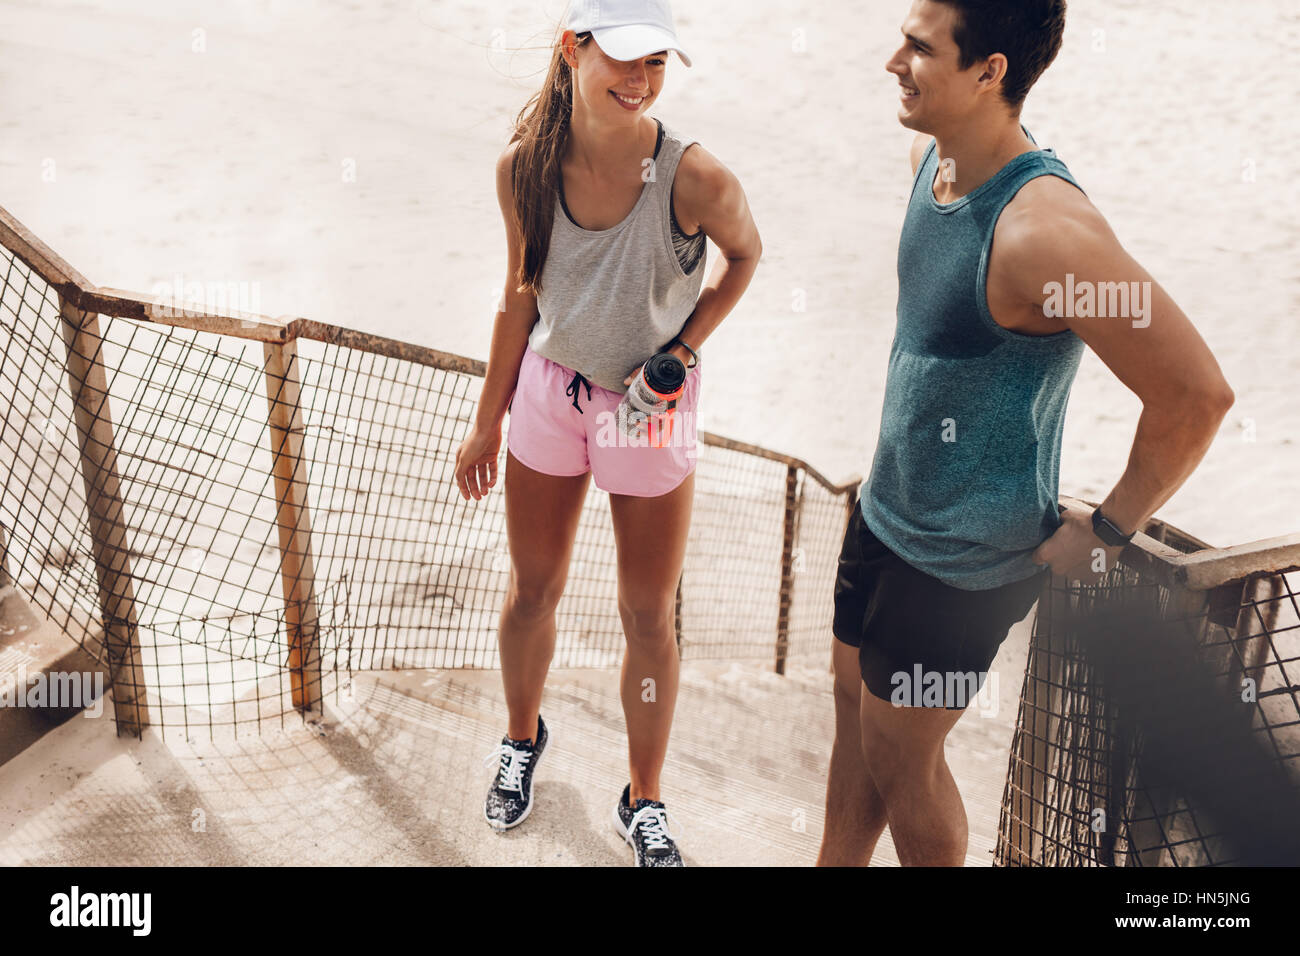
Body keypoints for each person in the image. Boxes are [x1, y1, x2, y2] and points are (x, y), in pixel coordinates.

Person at [818, 0, 1234, 867]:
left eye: (919, 48)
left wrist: (1111, 528)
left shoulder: (1043, 237)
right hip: (883, 515)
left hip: (961, 566)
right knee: (857, 732)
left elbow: (1195, 396)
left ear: (990, 70)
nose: (892, 60)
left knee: (906, 760)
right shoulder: (933, 160)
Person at [452, 0, 762, 867]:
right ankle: (521, 741)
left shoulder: (695, 178)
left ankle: (645, 799)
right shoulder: (523, 170)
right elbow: (520, 294)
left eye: (658, 61)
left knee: (645, 614)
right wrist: (488, 420)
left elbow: (747, 256)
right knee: (532, 591)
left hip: (648, 409)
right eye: (625, 58)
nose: (641, 79)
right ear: (572, 50)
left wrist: (683, 350)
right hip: (549, 394)